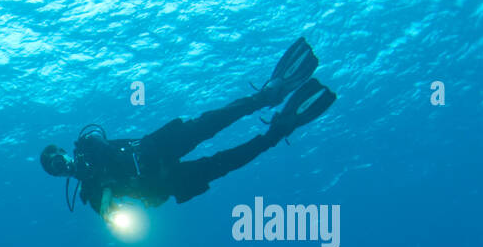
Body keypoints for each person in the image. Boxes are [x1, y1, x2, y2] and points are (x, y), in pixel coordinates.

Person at [40, 38, 337, 223]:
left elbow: (104, 148)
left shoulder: (87, 143)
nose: (60, 165)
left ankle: (269, 94)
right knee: (229, 162)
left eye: (57, 157)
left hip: (156, 148)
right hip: (164, 183)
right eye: (54, 169)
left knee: (213, 121)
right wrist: (111, 213)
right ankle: (278, 129)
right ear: (57, 176)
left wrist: (103, 184)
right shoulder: (88, 194)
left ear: (63, 151)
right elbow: (110, 215)